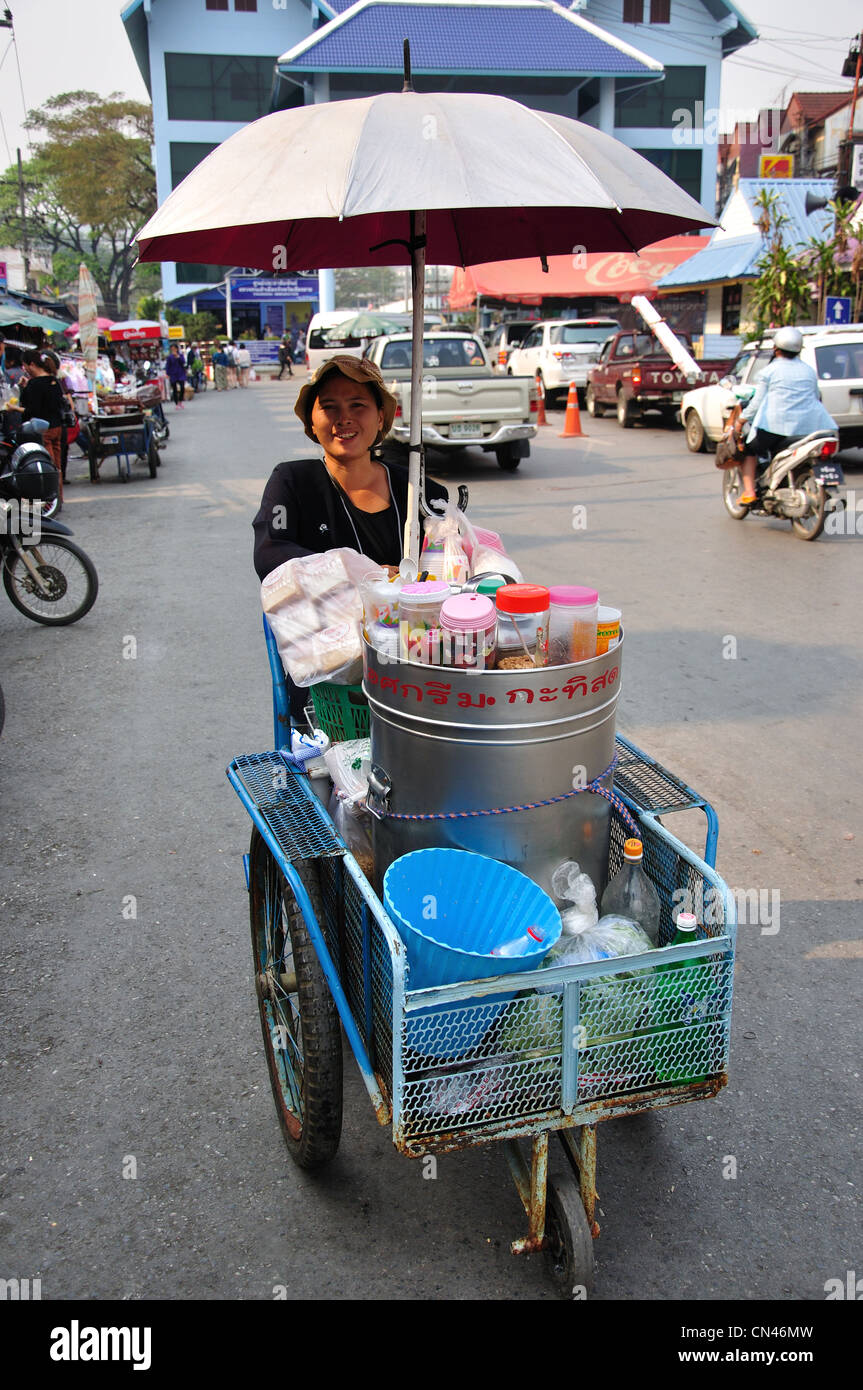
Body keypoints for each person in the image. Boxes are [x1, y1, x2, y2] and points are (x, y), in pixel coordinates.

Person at [252, 354, 450, 723]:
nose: (343, 418)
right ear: (312, 422)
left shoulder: (420, 490)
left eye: (357, 405)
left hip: (423, 674)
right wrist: (366, 579)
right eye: (329, 407)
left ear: (380, 418)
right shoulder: (292, 483)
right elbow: (270, 556)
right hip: (332, 691)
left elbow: (457, 565)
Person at [737, 326, 837, 505]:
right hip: (813, 427)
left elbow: (756, 403)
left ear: (776, 349)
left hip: (777, 427)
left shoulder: (769, 371)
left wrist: (741, 420)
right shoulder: (809, 371)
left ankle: (750, 492)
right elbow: (816, 396)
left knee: (749, 448)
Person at [9, 349, 66, 501]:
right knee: (57, 466)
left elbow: (31, 411)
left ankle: (50, 500)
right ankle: (57, 498)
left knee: (46, 466)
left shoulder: (35, 384)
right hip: (57, 428)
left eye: (25, 365)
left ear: (32, 364)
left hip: (43, 431)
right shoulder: (53, 380)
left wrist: (14, 408)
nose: (25, 369)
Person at [165, 342, 187, 408]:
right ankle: (176, 403)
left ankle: (180, 401)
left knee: (182, 387)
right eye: (172, 349)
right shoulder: (170, 357)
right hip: (173, 374)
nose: (174, 350)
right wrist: (167, 373)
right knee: (174, 389)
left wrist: (178, 357)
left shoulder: (180, 355)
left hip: (180, 373)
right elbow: (168, 365)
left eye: (175, 349)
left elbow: (183, 362)